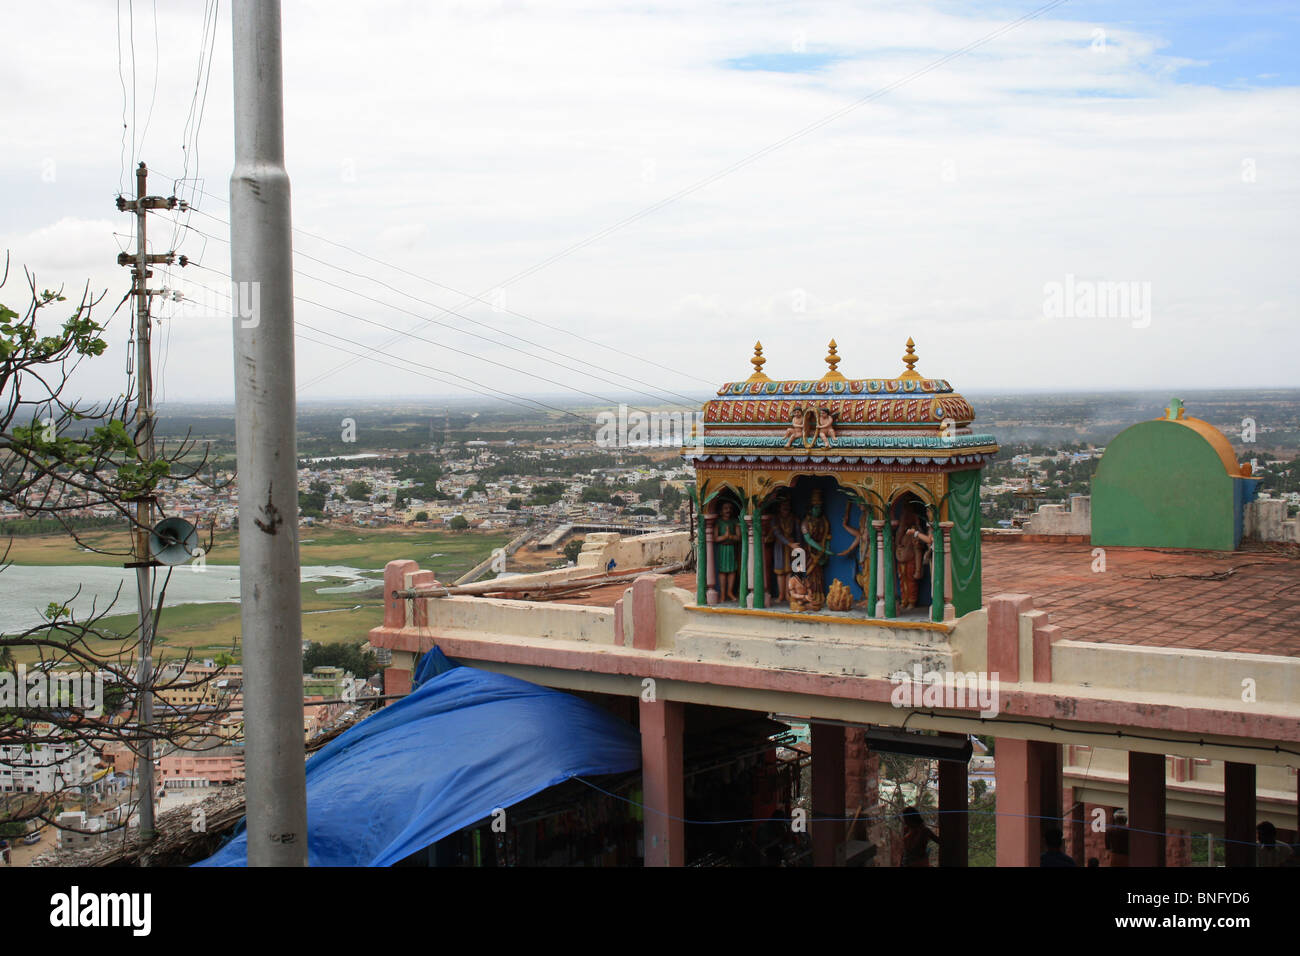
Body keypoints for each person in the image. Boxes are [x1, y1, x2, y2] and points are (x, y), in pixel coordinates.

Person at [714, 501, 741, 603]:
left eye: (730, 508)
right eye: (725, 508)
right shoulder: (718, 522)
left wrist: (730, 536)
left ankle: (730, 592)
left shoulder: (735, 521)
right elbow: (715, 538)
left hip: (731, 549)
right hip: (722, 549)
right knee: (722, 571)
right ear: (721, 511)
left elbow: (739, 538)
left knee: (732, 571)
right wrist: (725, 536)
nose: (728, 510)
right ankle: (723, 594)